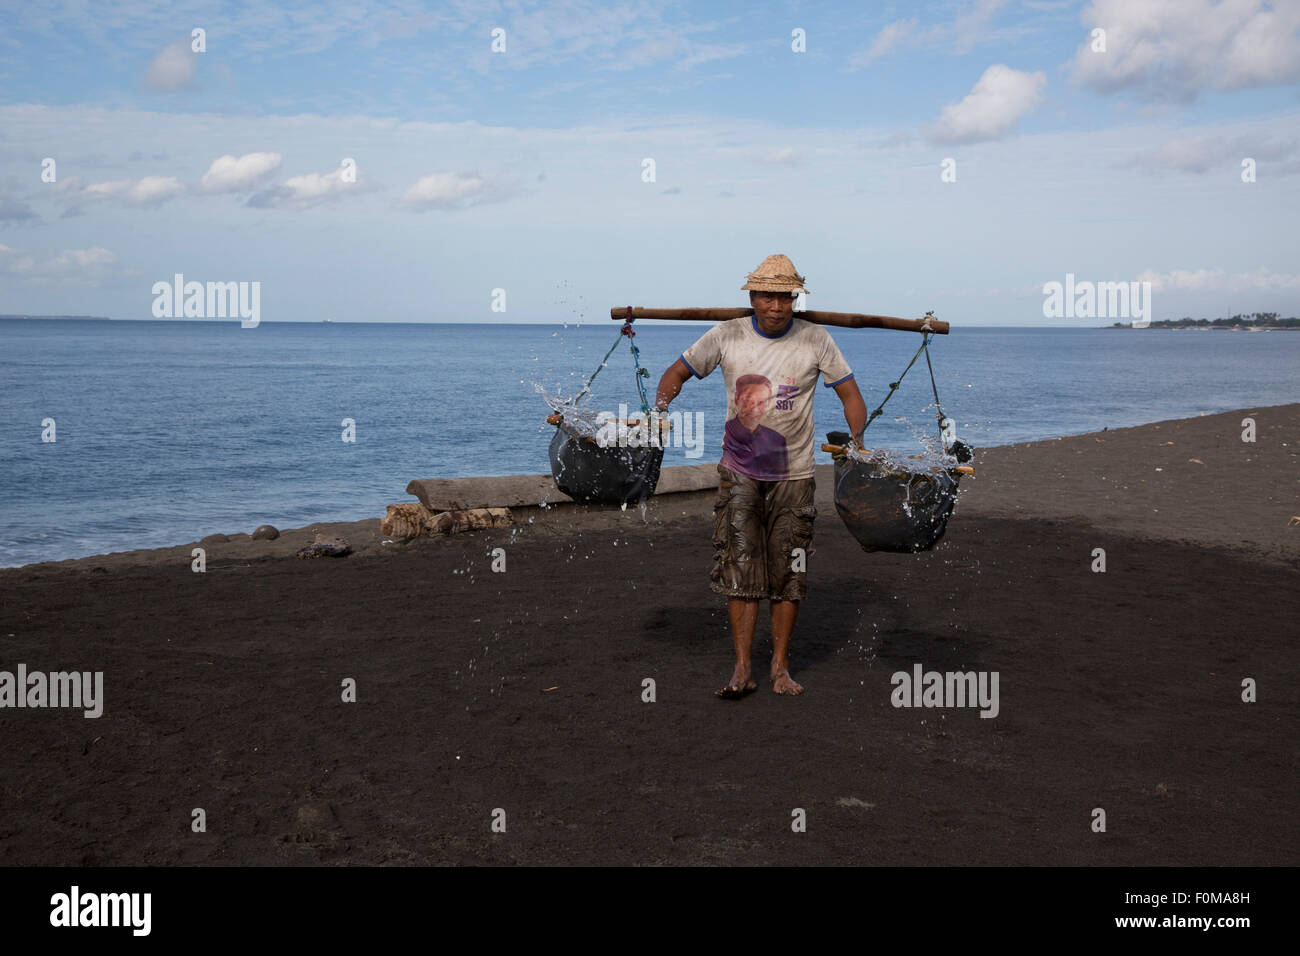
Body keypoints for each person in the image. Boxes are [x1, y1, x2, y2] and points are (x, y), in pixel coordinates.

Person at [654, 254, 867, 698]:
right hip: (739, 476)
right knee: (740, 568)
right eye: (767, 296)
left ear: (795, 299)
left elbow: (849, 392)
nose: (776, 306)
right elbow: (677, 372)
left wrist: (858, 438)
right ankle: (742, 669)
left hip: (796, 476)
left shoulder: (816, 339)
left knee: (791, 570)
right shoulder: (727, 334)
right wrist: (660, 408)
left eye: (785, 297)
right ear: (752, 297)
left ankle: (780, 667)